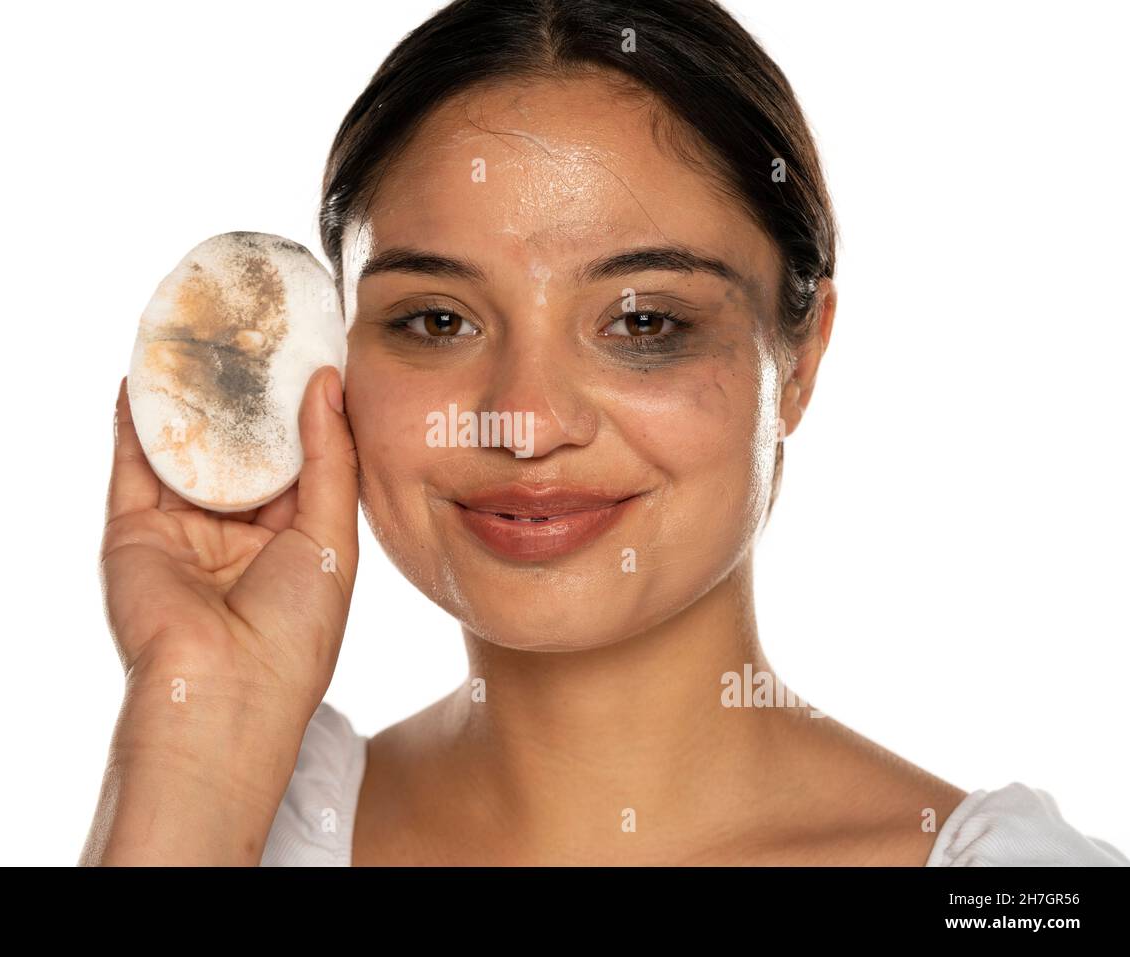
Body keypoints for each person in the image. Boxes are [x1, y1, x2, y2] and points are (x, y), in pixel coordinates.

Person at [80, 0, 1128, 866]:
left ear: (798, 359)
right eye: (437, 321)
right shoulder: (239, 832)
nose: (525, 422)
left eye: (642, 323)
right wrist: (200, 731)